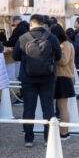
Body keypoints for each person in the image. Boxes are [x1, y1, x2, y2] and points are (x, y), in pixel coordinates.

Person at [12, 14, 62, 147]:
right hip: (48, 78)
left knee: (29, 108)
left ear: (31, 24)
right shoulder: (51, 37)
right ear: (43, 24)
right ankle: (48, 138)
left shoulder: (23, 38)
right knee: (48, 108)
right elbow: (59, 56)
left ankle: (29, 139)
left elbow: (15, 56)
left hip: (28, 78)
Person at [51, 24, 75, 139]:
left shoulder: (65, 44)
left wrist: (52, 55)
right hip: (61, 77)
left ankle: (65, 132)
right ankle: (63, 131)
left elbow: (63, 60)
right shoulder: (65, 44)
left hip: (63, 77)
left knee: (62, 107)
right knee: (61, 107)